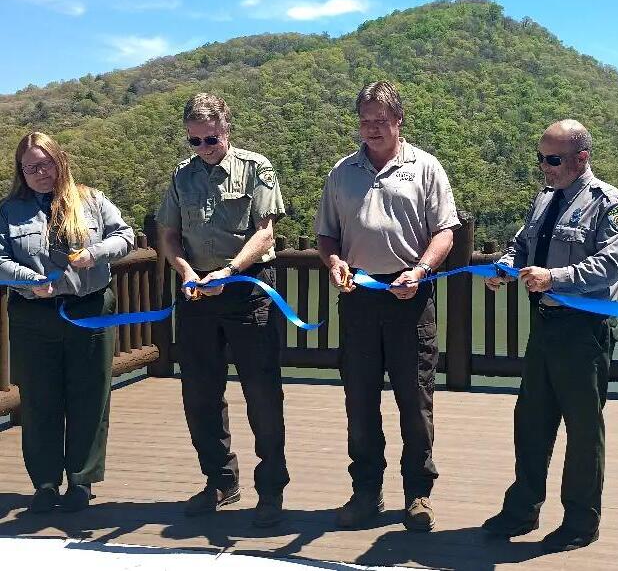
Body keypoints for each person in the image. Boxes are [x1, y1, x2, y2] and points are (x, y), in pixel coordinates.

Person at [481, 119, 618, 552]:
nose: (544, 168)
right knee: (531, 421)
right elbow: (521, 245)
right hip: (545, 327)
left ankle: (581, 522)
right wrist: (505, 268)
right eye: (541, 158)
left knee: (583, 430)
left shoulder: (610, 204)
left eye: (553, 159)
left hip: (585, 331)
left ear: (581, 158)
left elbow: (610, 265)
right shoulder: (543, 199)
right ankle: (522, 509)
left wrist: (555, 277)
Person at [315, 81, 460, 532]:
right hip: (358, 298)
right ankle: (366, 494)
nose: (372, 129)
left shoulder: (426, 167)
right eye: (365, 121)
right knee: (359, 403)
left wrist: (419, 271)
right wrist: (334, 261)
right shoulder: (342, 171)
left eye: (381, 121)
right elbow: (327, 235)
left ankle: (418, 494)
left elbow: (445, 232)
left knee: (415, 403)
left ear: (399, 121)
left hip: (409, 297)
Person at [156, 93, 288, 527]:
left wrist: (229, 271)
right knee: (199, 394)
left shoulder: (256, 167)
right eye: (194, 141)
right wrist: (187, 272)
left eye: (210, 139)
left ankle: (270, 491)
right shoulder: (181, 176)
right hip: (197, 294)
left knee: (262, 395)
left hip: (246, 290)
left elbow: (265, 234)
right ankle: (220, 480)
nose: (203, 148)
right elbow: (169, 236)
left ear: (226, 128)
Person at [0, 132, 134, 513]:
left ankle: (82, 481)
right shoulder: (8, 211)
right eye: (30, 168)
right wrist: (29, 280)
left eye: (45, 164)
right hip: (32, 318)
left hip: (89, 309)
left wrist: (95, 253)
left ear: (60, 161)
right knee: (39, 401)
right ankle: (44, 484)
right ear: (20, 172)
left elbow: (124, 236)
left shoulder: (91, 200)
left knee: (90, 396)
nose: (40, 173)